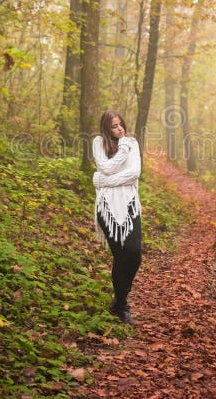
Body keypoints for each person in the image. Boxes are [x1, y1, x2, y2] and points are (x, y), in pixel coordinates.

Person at [92, 110, 142, 325]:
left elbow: (134, 173)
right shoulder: (98, 142)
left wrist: (101, 181)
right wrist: (119, 154)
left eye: (121, 124)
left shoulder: (131, 142)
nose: (120, 128)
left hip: (129, 203)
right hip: (107, 208)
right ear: (106, 128)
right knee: (121, 257)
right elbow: (104, 167)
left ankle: (119, 300)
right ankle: (121, 305)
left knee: (134, 254)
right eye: (114, 125)